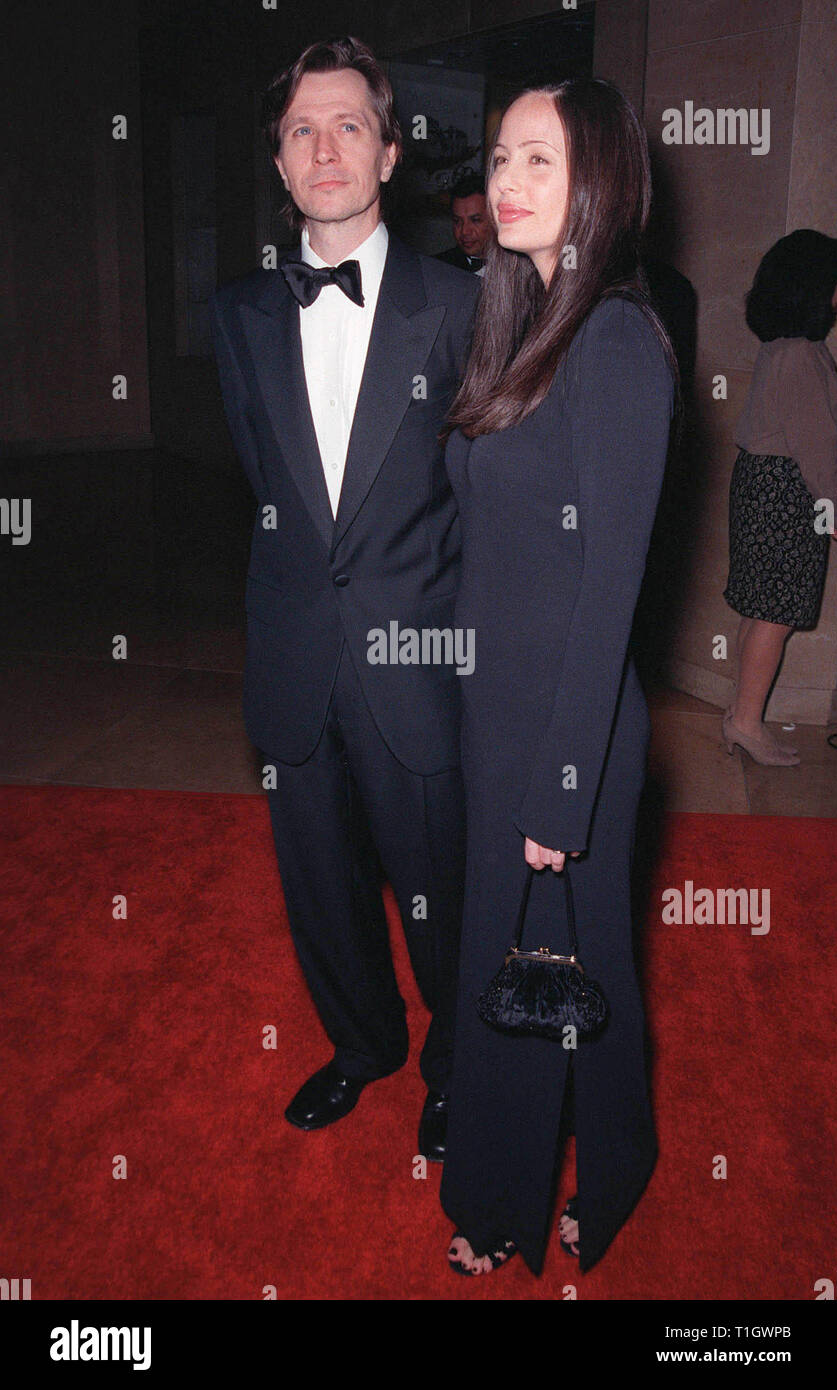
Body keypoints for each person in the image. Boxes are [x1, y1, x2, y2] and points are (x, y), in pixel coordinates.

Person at [209, 37, 479, 1159]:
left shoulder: (463, 303)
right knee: (319, 889)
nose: (325, 147)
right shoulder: (238, 313)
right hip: (291, 656)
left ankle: (459, 1065)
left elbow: (480, 503)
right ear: (277, 162)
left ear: (390, 151)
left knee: (443, 896)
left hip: (416, 660)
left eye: (349, 125)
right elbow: (269, 492)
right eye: (301, 130)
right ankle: (363, 1044)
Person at [439, 77, 678, 1276]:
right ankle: (495, 1193)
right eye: (500, 159)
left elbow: (610, 590)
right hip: (497, 721)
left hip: (566, 736)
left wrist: (560, 790)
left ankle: (607, 1174)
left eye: (541, 159)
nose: (508, 181)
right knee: (505, 971)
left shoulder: (619, 339)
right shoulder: (517, 326)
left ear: (603, 181)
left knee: (578, 983)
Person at [723, 230, 837, 765]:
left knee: (760, 610)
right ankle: (747, 721)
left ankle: (738, 717)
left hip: (760, 483)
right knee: (775, 615)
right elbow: (816, 447)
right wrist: (834, 504)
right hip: (786, 491)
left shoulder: (779, 348)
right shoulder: (804, 355)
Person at [436, 174, 491, 272]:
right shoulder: (438, 267)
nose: (464, 231)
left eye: (475, 220)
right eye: (457, 221)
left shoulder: (521, 264)